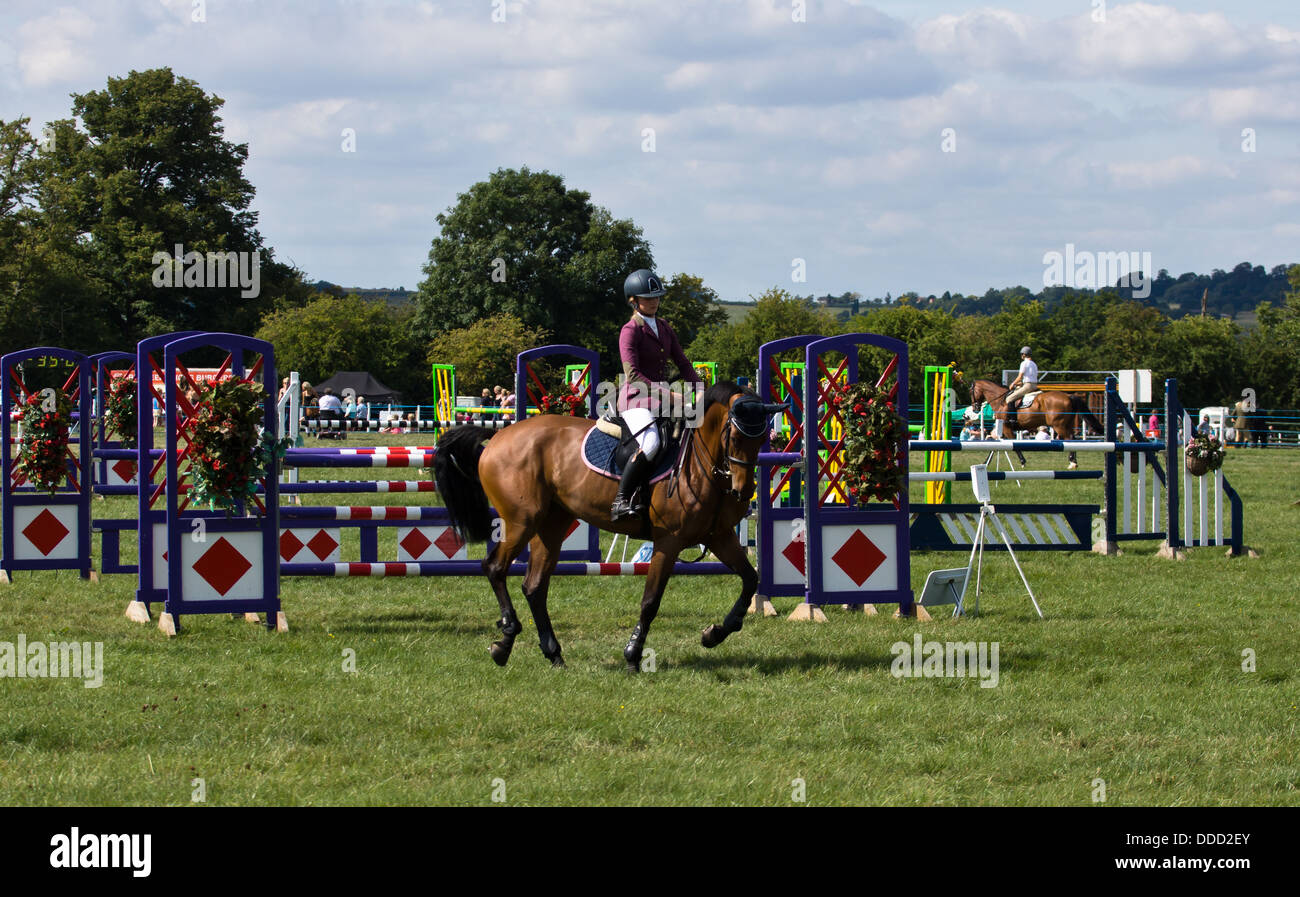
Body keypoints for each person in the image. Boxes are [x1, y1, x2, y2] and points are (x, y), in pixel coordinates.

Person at [611, 268, 702, 521]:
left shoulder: (664, 327)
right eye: (647, 297)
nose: (654, 301)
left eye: (657, 297)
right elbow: (633, 376)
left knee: (695, 430)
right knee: (651, 442)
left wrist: (701, 391)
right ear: (633, 300)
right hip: (636, 399)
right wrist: (671, 396)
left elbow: (683, 364)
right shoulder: (630, 330)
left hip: (661, 399)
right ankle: (620, 500)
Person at [994, 346, 1038, 439]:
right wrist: (1018, 383)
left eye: (1021, 354)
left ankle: (1013, 420)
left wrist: (1013, 383)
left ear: (1023, 354)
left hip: (1028, 386)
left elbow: (1020, 376)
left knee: (1009, 398)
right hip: (1034, 385)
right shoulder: (1034, 364)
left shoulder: (1024, 363)